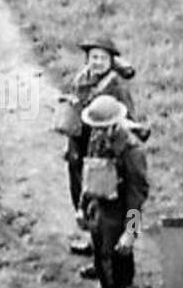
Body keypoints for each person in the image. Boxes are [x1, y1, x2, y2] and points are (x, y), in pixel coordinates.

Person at [56, 36, 139, 262]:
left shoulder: (117, 86)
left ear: (112, 61)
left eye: (103, 58)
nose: (98, 62)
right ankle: (96, 244)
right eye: (94, 57)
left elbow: (129, 118)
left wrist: (132, 230)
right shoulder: (82, 78)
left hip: (104, 153)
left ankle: (113, 257)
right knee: (84, 196)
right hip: (82, 145)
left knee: (108, 206)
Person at [80, 95, 148, 288]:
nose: (98, 132)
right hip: (98, 214)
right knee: (101, 265)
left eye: (103, 127)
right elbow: (89, 174)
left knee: (119, 274)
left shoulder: (132, 151)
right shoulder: (96, 139)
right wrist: (82, 207)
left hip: (119, 219)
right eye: (95, 128)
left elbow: (137, 195)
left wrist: (131, 232)